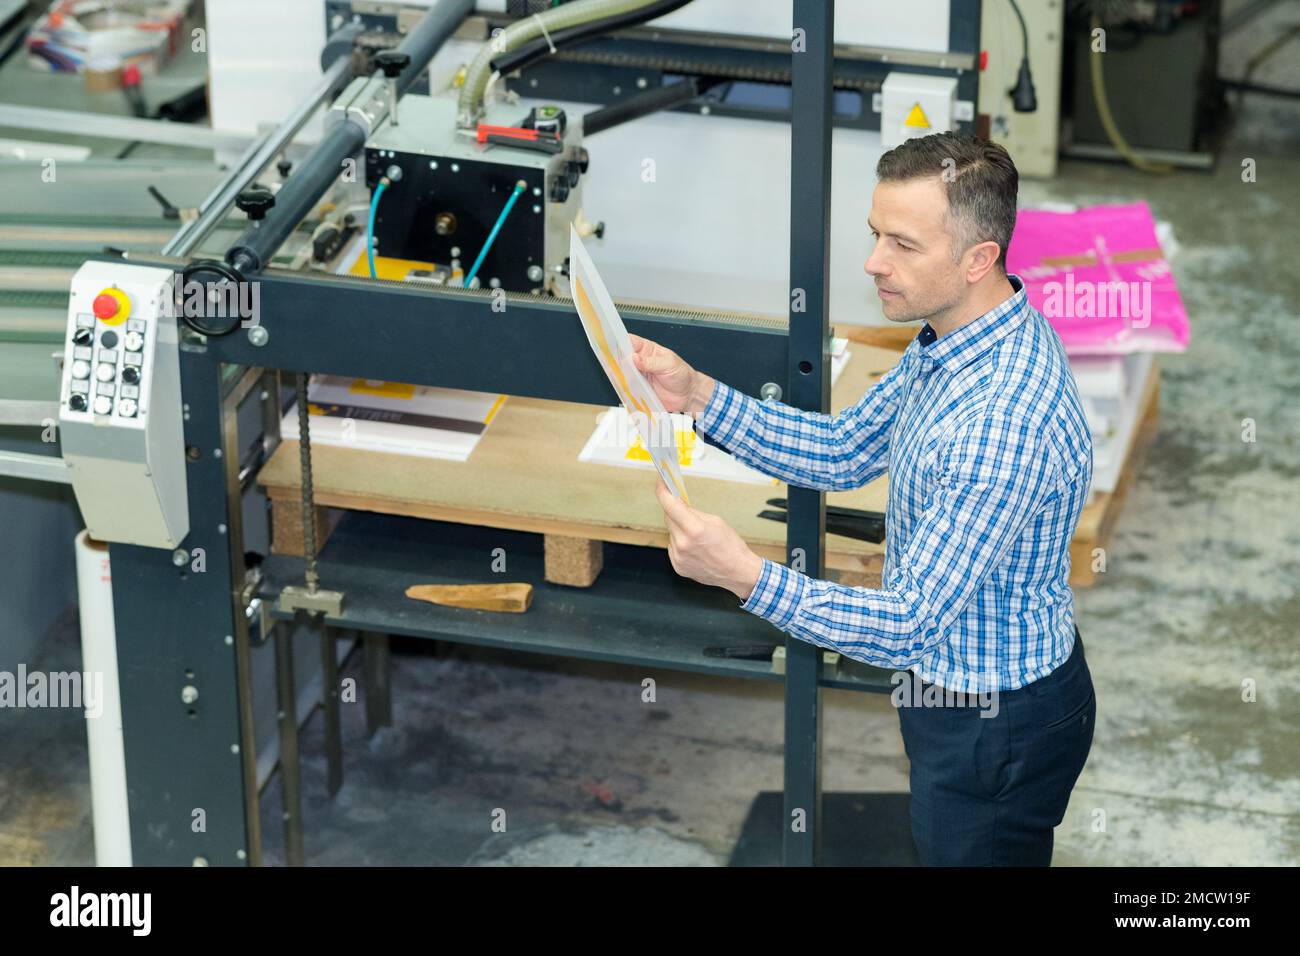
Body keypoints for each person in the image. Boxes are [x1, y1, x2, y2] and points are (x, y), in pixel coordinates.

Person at [632, 131, 1096, 866]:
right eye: (876, 234)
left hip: (994, 721)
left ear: (979, 259)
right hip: (955, 690)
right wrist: (699, 397)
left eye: (903, 245)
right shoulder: (956, 334)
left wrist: (744, 575)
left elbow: (908, 621)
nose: (873, 262)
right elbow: (845, 449)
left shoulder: (1002, 421)